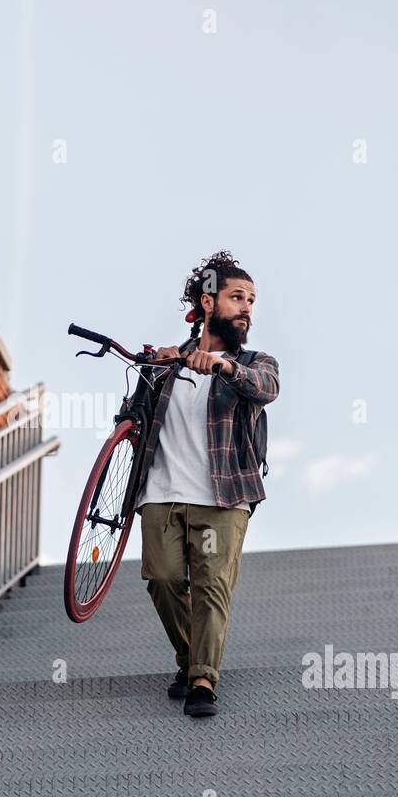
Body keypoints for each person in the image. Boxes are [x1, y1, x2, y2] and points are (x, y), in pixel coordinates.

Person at [133, 250, 280, 717]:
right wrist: (151, 365)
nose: (247, 308)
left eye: (252, 300)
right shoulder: (167, 363)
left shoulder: (256, 361)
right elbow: (133, 420)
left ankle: (201, 680)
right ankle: (189, 658)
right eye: (237, 297)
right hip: (161, 491)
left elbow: (265, 387)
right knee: (163, 579)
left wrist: (222, 367)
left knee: (212, 585)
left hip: (224, 494)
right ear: (209, 302)